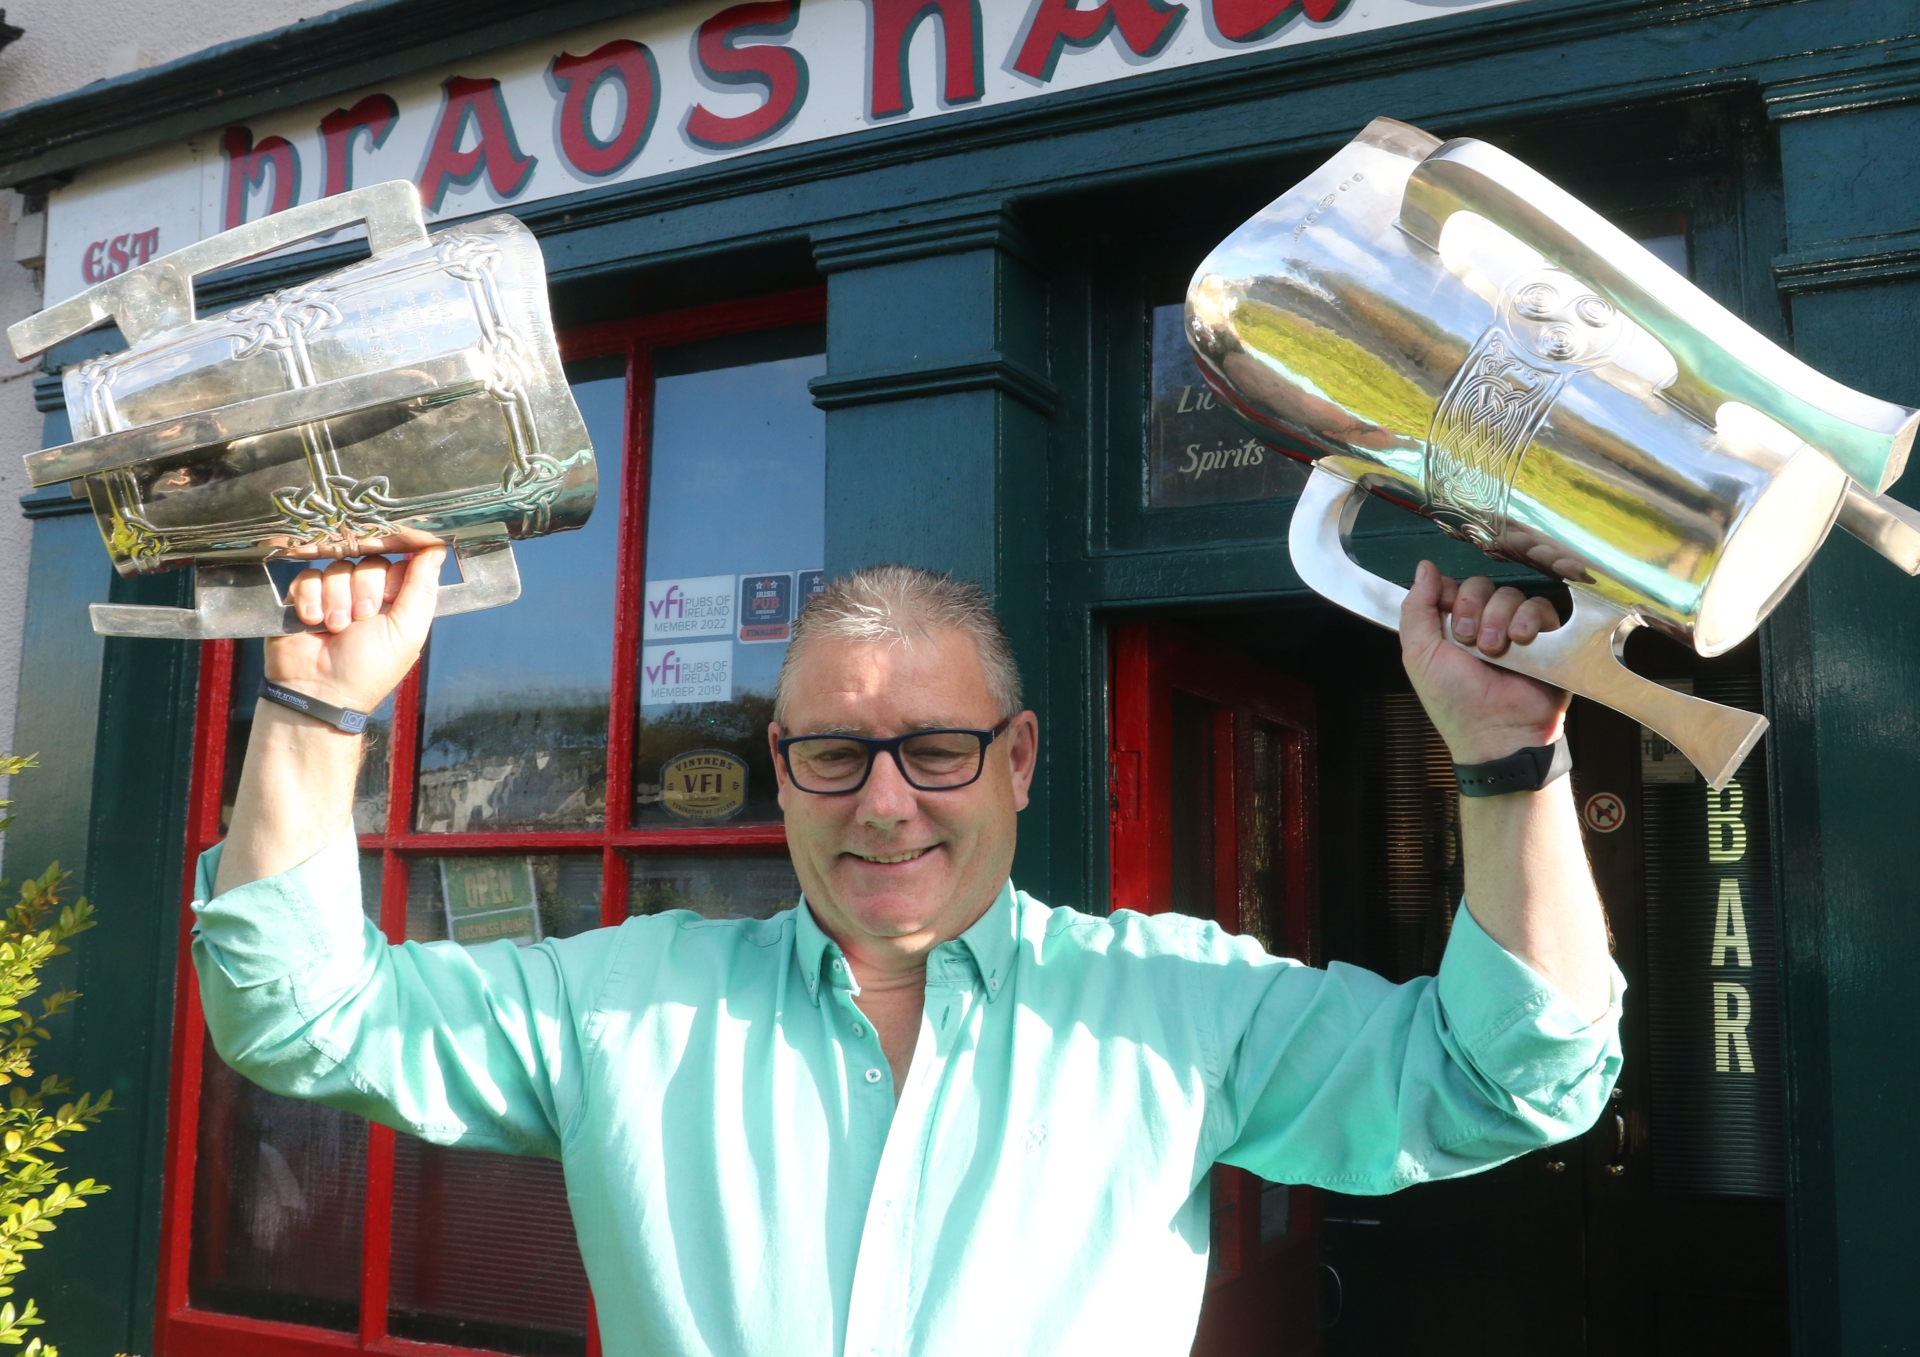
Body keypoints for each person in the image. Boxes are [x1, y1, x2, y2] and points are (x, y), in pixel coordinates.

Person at [197, 553, 1620, 1357]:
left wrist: (1506, 759)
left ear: (1016, 763)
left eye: (935, 749)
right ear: (781, 766)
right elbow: (305, 1015)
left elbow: (1510, 1080)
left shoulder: (1183, 1005)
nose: (886, 801)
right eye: (835, 752)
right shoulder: (615, 1002)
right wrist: (316, 705)